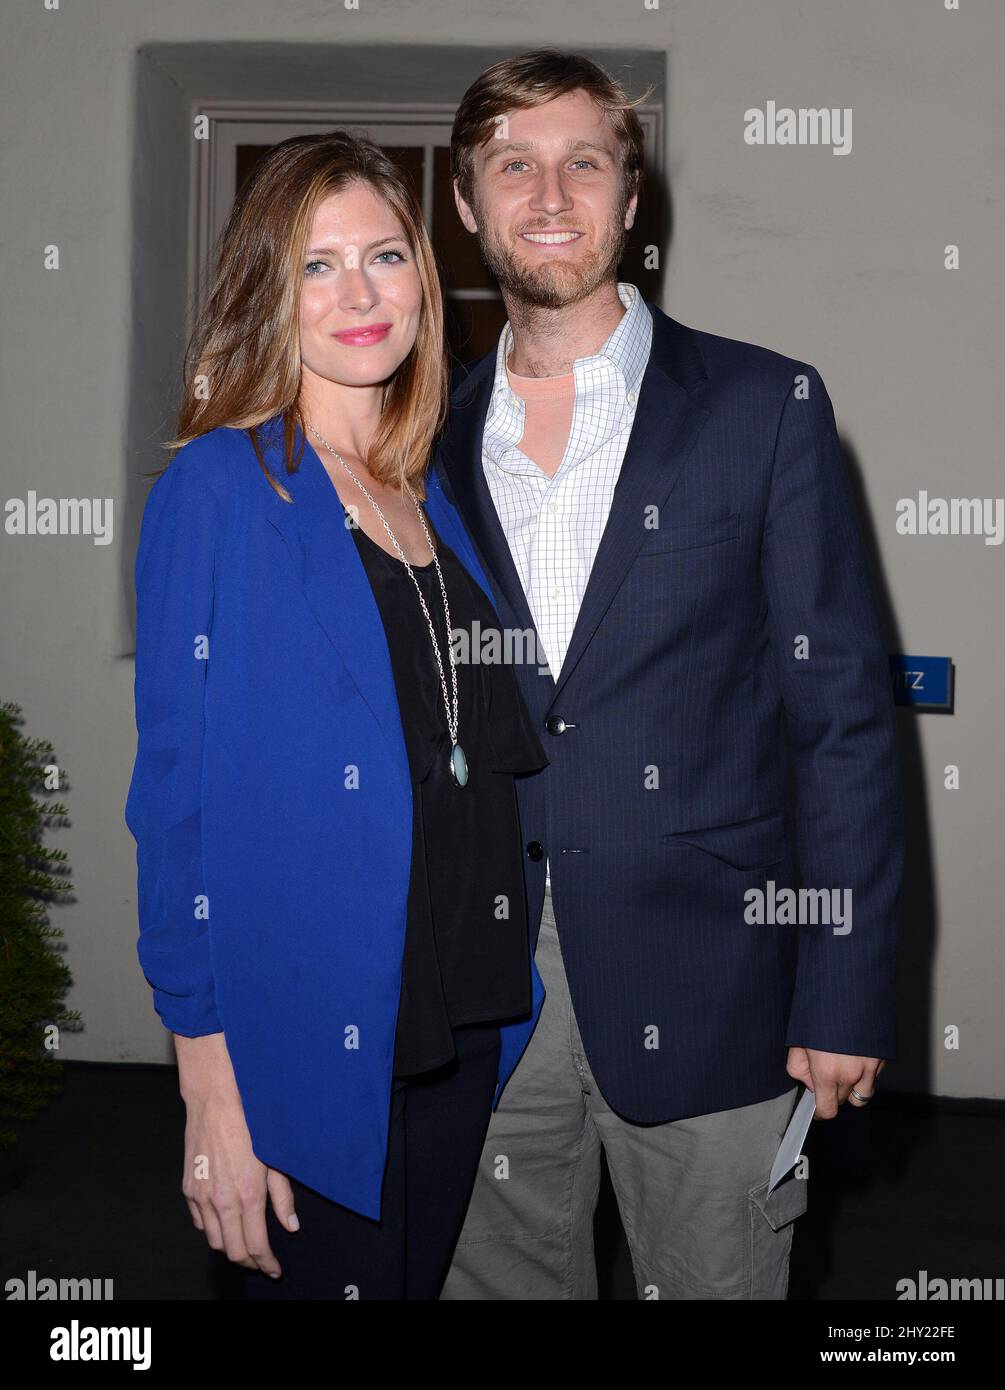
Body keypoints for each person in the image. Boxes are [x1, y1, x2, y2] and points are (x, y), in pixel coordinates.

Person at [434, 49, 905, 1300]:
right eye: (513, 166)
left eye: (585, 161)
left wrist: (846, 987)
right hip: (480, 989)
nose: (551, 193)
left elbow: (845, 723)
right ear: (467, 204)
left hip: (718, 983)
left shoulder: (764, 404)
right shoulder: (416, 433)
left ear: (632, 201)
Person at [124, 129, 548, 1301]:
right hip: (308, 1052)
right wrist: (211, 1086)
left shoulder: (434, 496)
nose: (360, 294)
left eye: (384, 256)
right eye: (316, 266)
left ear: (425, 275)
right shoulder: (223, 488)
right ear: (268, 292)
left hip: (459, 1029)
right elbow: (176, 807)